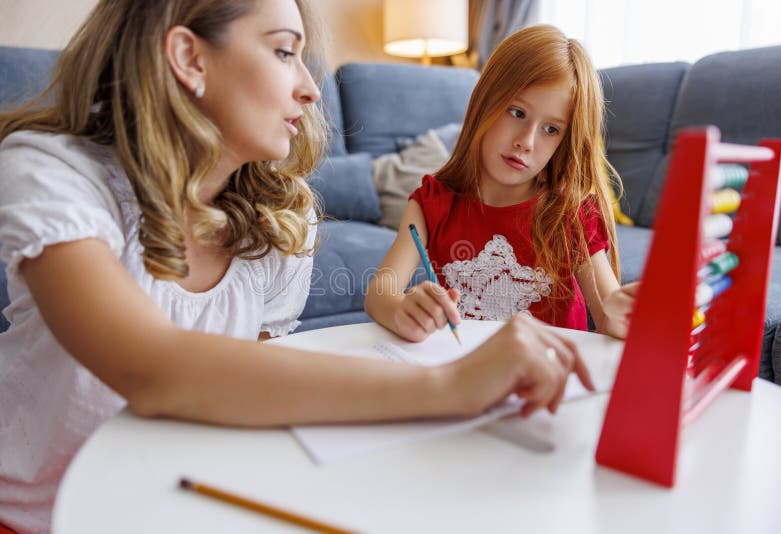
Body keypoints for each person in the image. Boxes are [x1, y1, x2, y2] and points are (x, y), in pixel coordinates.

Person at [0, 3, 595, 532]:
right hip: (34, 516)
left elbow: (254, 387)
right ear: (189, 57)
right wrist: (450, 387)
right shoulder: (55, 177)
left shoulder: (282, 220)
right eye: (285, 52)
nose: (311, 89)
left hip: (177, 502)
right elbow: (152, 369)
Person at [365, 25, 639, 344]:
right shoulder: (430, 203)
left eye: (551, 129)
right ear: (485, 101)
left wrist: (627, 313)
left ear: (565, 141)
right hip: (465, 368)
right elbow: (379, 293)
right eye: (517, 112)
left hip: (552, 373)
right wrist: (402, 310)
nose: (526, 141)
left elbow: (608, 315)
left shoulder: (572, 213)